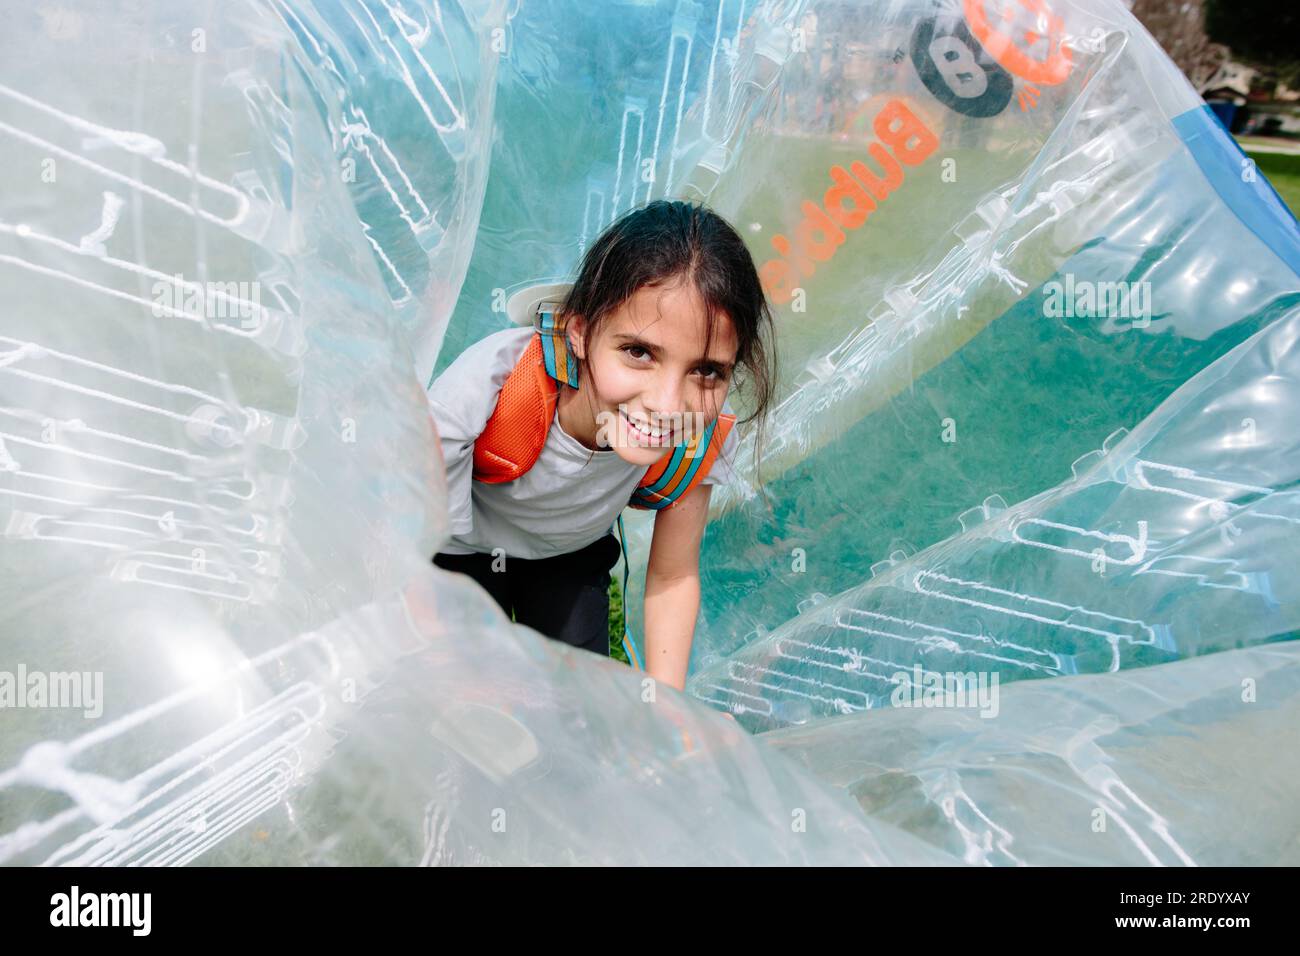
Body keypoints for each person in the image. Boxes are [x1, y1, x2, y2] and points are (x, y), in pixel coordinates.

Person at [428, 199, 776, 691]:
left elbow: (673, 577)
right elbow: (408, 540)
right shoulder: (484, 390)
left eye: (705, 370)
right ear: (580, 332)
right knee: (454, 692)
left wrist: (667, 710)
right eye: (638, 352)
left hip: (565, 554)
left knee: (576, 708)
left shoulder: (700, 437)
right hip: (454, 546)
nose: (666, 403)